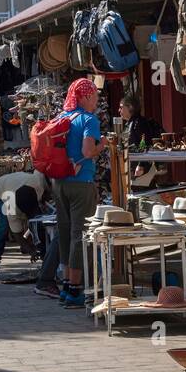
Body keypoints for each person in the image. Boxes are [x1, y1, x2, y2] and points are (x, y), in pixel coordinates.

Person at [52, 78, 105, 308]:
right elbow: (87, 150)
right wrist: (102, 145)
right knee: (79, 234)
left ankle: (65, 286)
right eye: (94, 96)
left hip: (59, 183)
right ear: (84, 97)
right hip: (81, 183)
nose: (96, 100)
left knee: (64, 232)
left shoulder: (61, 118)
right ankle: (75, 289)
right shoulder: (89, 120)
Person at [0, 170, 48, 281]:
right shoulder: (10, 207)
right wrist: (30, 250)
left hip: (17, 184)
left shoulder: (38, 185)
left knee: (39, 221)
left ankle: (45, 258)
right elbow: (16, 233)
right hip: (2, 188)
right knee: (3, 227)